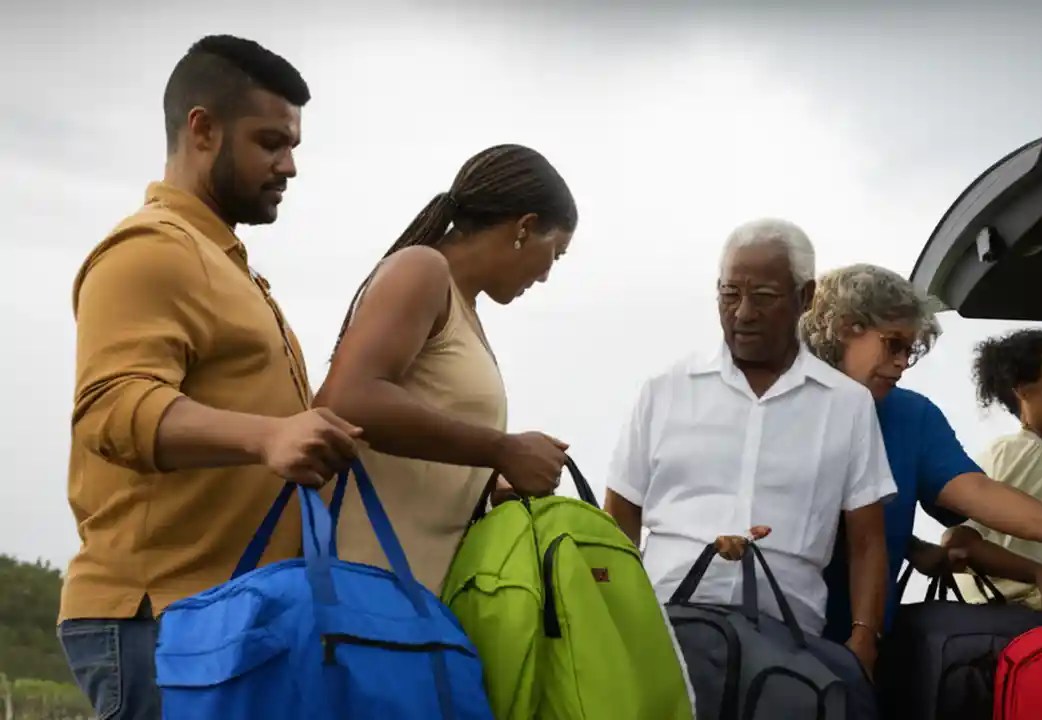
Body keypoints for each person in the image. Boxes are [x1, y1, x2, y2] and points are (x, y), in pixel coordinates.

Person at [60, 36, 363, 718]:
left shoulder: (229, 268)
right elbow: (111, 409)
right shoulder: (150, 251)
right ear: (202, 129)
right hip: (160, 620)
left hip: (225, 619)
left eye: (293, 146)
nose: (289, 165)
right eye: (270, 142)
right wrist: (268, 437)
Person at [604, 219, 898, 685]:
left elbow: (866, 541)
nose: (742, 313)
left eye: (763, 296)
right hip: (660, 631)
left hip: (787, 645)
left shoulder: (847, 405)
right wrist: (613, 616)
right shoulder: (665, 390)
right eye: (729, 294)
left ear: (804, 298)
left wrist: (864, 639)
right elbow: (619, 514)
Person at [795, 264, 1042, 644]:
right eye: (894, 344)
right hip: (767, 637)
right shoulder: (773, 408)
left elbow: (975, 491)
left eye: (911, 350)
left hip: (862, 649)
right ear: (845, 328)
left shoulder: (912, 416)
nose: (903, 361)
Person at [314, 143, 576, 592]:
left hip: (412, 597)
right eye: (555, 253)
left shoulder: (465, 308)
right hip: (361, 586)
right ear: (525, 227)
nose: (547, 274)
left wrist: (484, 483)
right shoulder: (423, 269)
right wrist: (501, 450)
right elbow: (349, 399)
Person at [953, 328, 1042, 610]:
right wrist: (1036, 573)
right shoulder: (1016, 452)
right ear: (1023, 391)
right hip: (1017, 628)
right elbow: (959, 543)